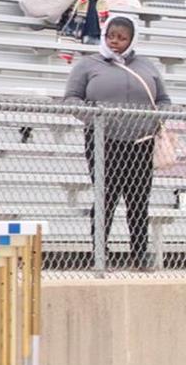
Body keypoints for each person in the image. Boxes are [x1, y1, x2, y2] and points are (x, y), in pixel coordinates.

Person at [63, 14, 169, 266]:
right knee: (106, 197)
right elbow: (72, 99)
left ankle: (139, 253)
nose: (115, 42)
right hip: (103, 141)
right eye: (111, 36)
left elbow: (164, 99)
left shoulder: (147, 66)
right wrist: (96, 117)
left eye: (122, 38)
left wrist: (156, 119)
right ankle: (100, 252)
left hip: (141, 142)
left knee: (139, 200)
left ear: (132, 40)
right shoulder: (88, 64)